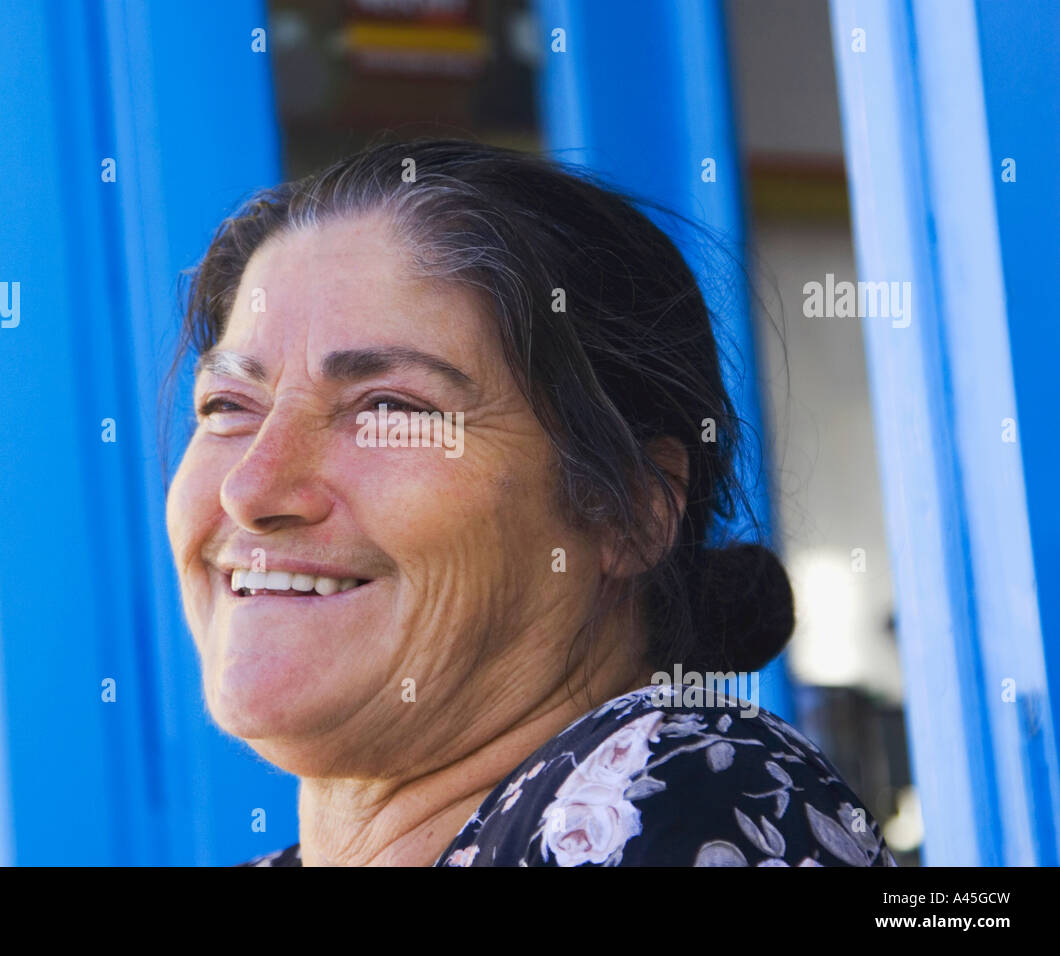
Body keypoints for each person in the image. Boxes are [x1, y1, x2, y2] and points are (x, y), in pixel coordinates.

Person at [164, 139, 896, 867]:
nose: (251, 490)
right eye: (228, 405)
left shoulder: (677, 806)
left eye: (388, 407)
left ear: (631, 507)